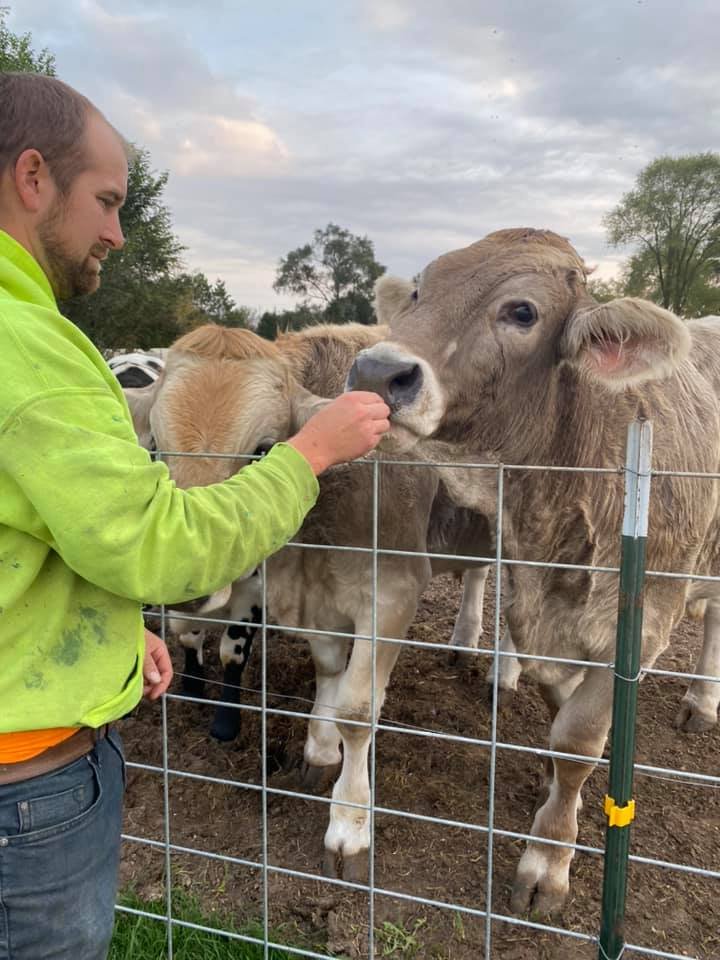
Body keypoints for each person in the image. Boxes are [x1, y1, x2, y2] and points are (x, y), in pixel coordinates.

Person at [0, 72, 390, 960]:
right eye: (105, 200)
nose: (117, 233)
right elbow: (163, 546)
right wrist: (309, 453)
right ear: (32, 179)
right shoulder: (27, 346)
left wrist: (94, 625)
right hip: (26, 787)